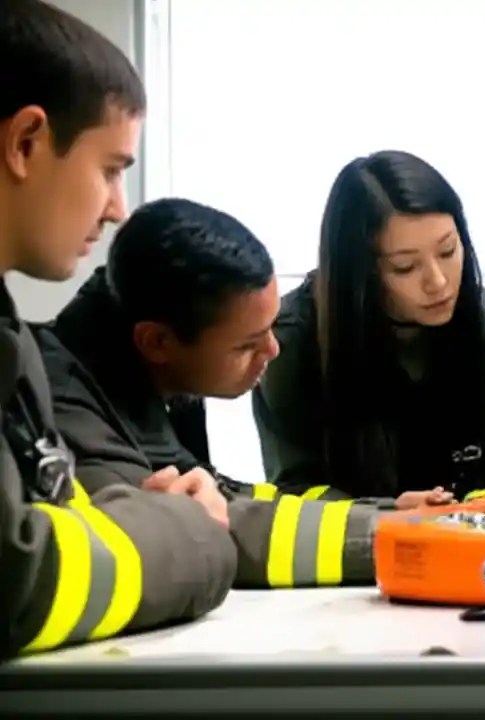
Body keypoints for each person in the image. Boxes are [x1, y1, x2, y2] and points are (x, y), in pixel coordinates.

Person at [1, 0, 235, 658]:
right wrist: (185, 531)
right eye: (109, 169)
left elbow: (54, 520)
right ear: (25, 143)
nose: (116, 209)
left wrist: (138, 514)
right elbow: (17, 574)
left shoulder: (12, 340)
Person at [39, 198, 388, 588]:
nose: (273, 350)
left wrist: (381, 512)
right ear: (157, 342)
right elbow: (212, 527)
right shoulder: (64, 404)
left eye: (271, 328)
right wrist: (395, 536)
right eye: (246, 345)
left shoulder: (146, 373)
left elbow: (224, 493)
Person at [253, 150, 485, 506]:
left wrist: (467, 521)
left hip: (467, 542)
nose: (438, 282)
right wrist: (382, 519)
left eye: (448, 251)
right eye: (404, 267)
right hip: (351, 551)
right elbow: (296, 489)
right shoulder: (289, 343)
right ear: (360, 275)